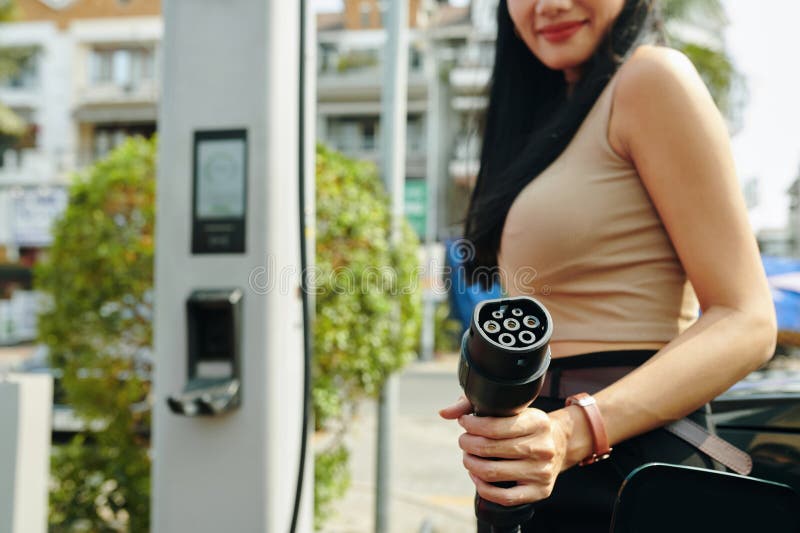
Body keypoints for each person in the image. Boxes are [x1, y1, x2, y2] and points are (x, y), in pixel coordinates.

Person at [438, 0, 777, 532]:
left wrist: (573, 430)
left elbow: (748, 320)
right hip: (544, 466)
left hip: (635, 472)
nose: (548, 5)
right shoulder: (553, 112)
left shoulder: (651, 78)